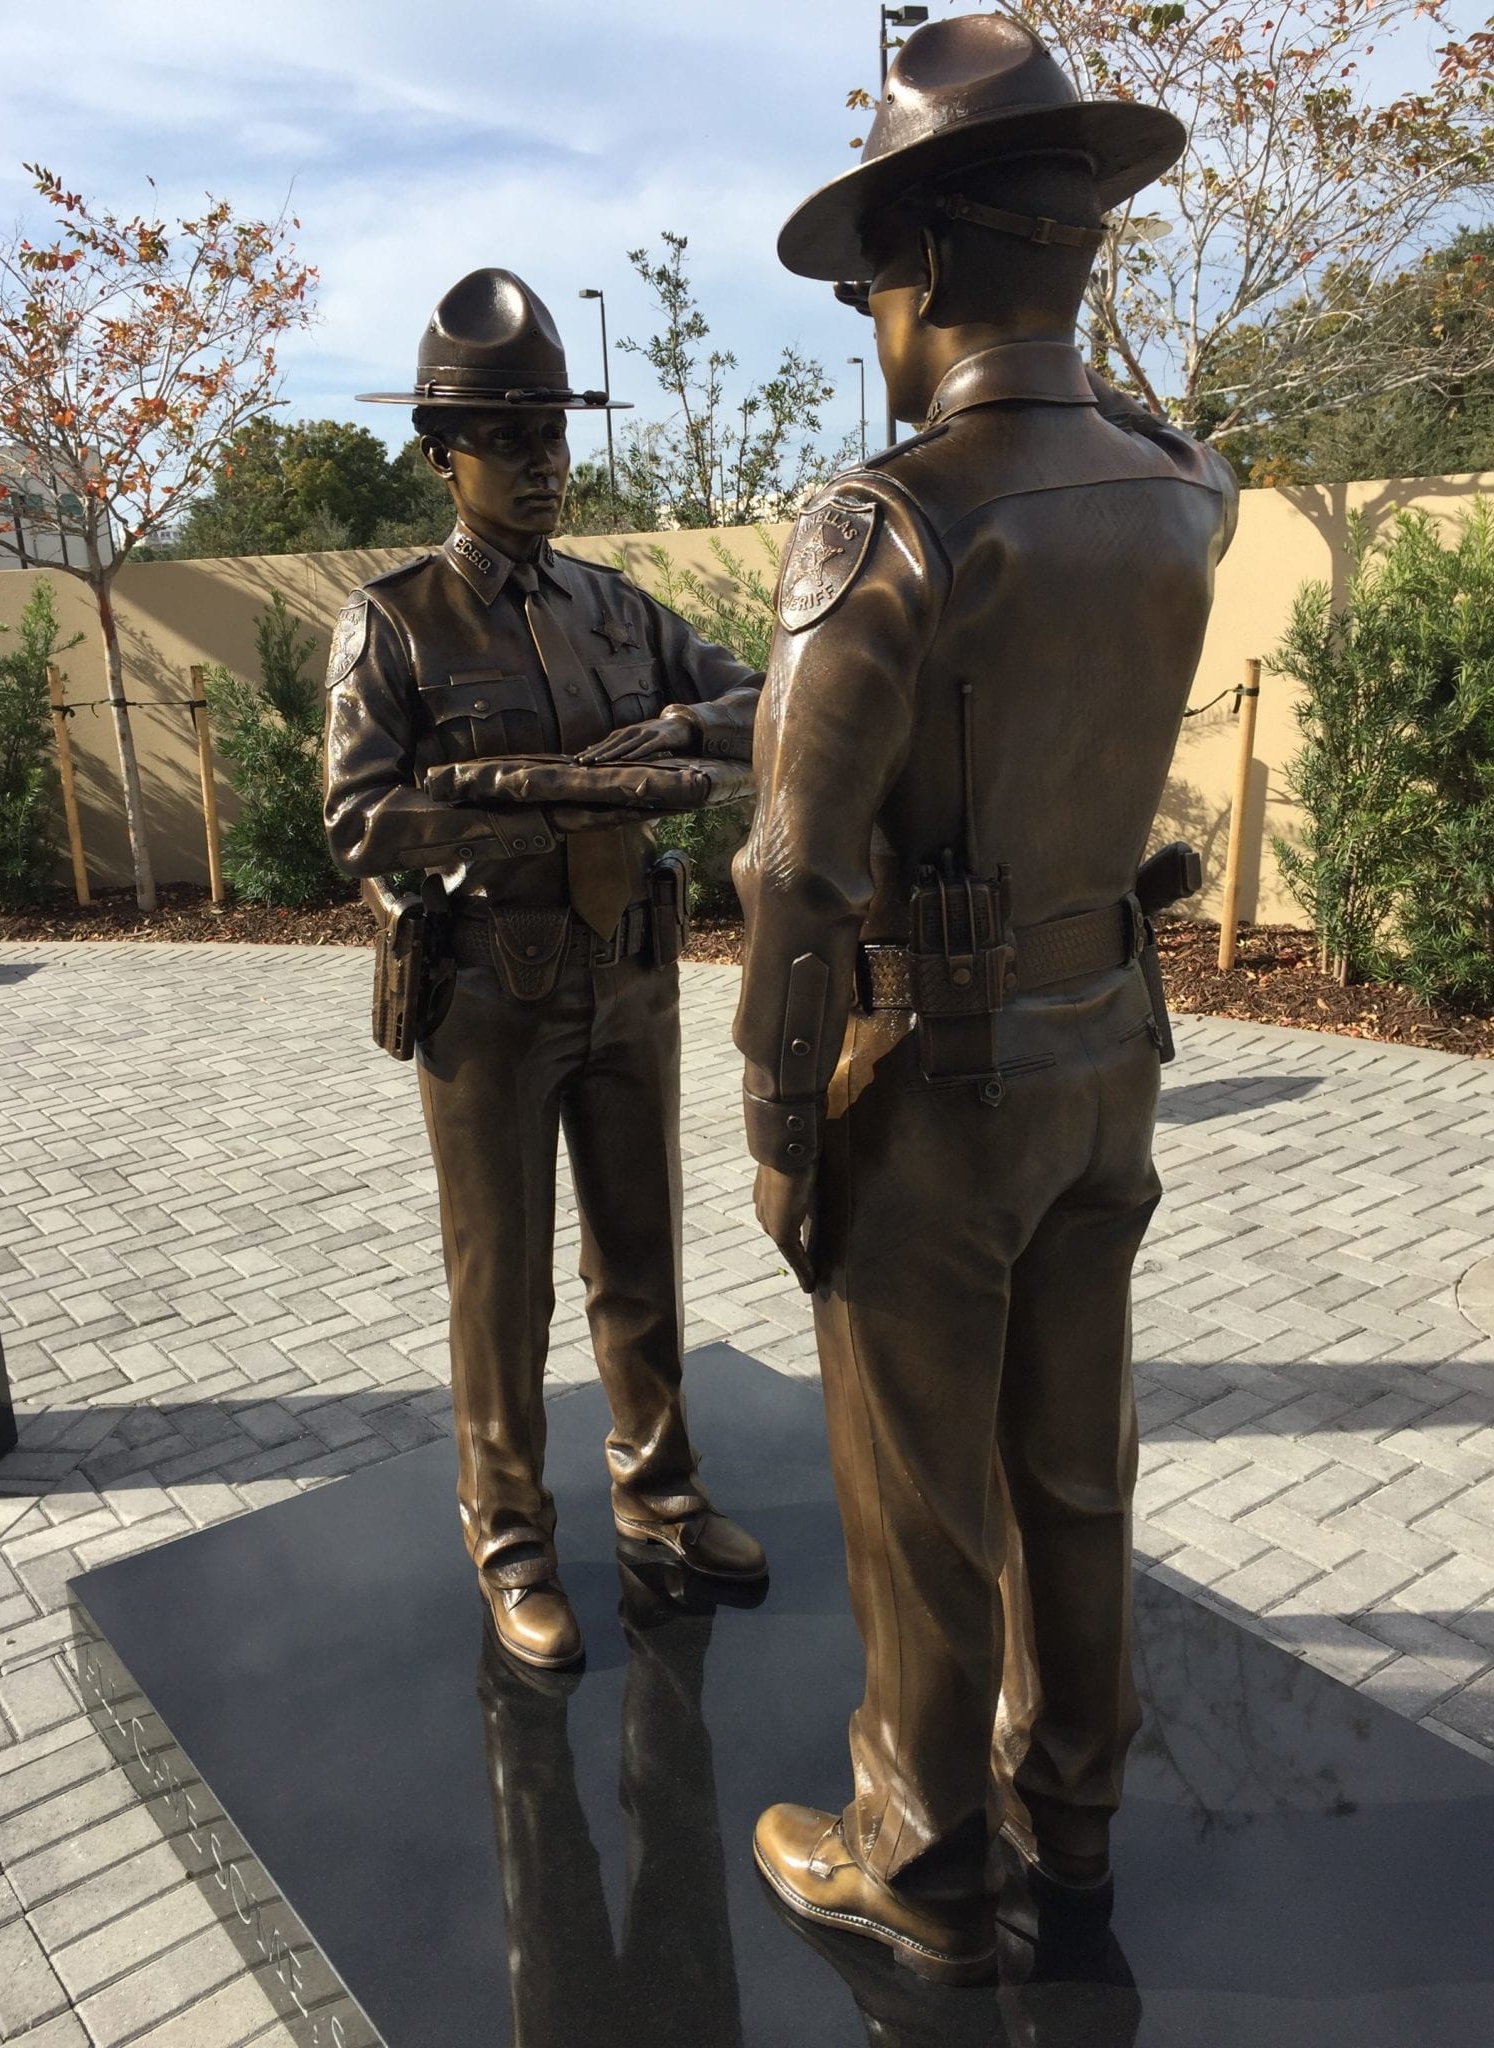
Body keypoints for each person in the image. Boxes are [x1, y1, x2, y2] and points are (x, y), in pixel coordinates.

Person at [737, 15, 1238, 1982]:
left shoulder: (889, 524)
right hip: (1109, 1053)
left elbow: (794, 873)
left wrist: (788, 1133)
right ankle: (1076, 1820)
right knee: (1075, 1467)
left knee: (923, 1492)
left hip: (930, 1082)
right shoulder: (1180, 489)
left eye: (872, 270)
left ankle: (923, 1851)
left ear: (924, 261)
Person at [323, 269, 766, 1672]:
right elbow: (357, 815)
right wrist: (544, 795)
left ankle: (662, 1491)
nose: (540, 465)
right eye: (507, 441)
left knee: (641, 1255)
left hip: (631, 975)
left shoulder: (624, 614)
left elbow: (777, 707)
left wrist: (690, 718)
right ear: (443, 454)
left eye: (553, 436)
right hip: (489, 992)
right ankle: (509, 1535)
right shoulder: (393, 623)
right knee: (499, 1277)